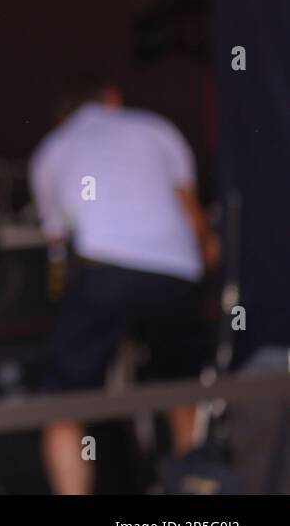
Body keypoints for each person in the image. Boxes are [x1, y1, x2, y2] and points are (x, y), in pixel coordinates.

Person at [29, 73, 220, 495]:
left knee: (63, 405)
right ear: (113, 98)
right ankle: (193, 498)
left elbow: (58, 241)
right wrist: (208, 258)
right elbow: (195, 221)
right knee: (183, 389)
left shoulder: (54, 148)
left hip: (103, 271)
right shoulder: (157, 129)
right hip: (174, 271)